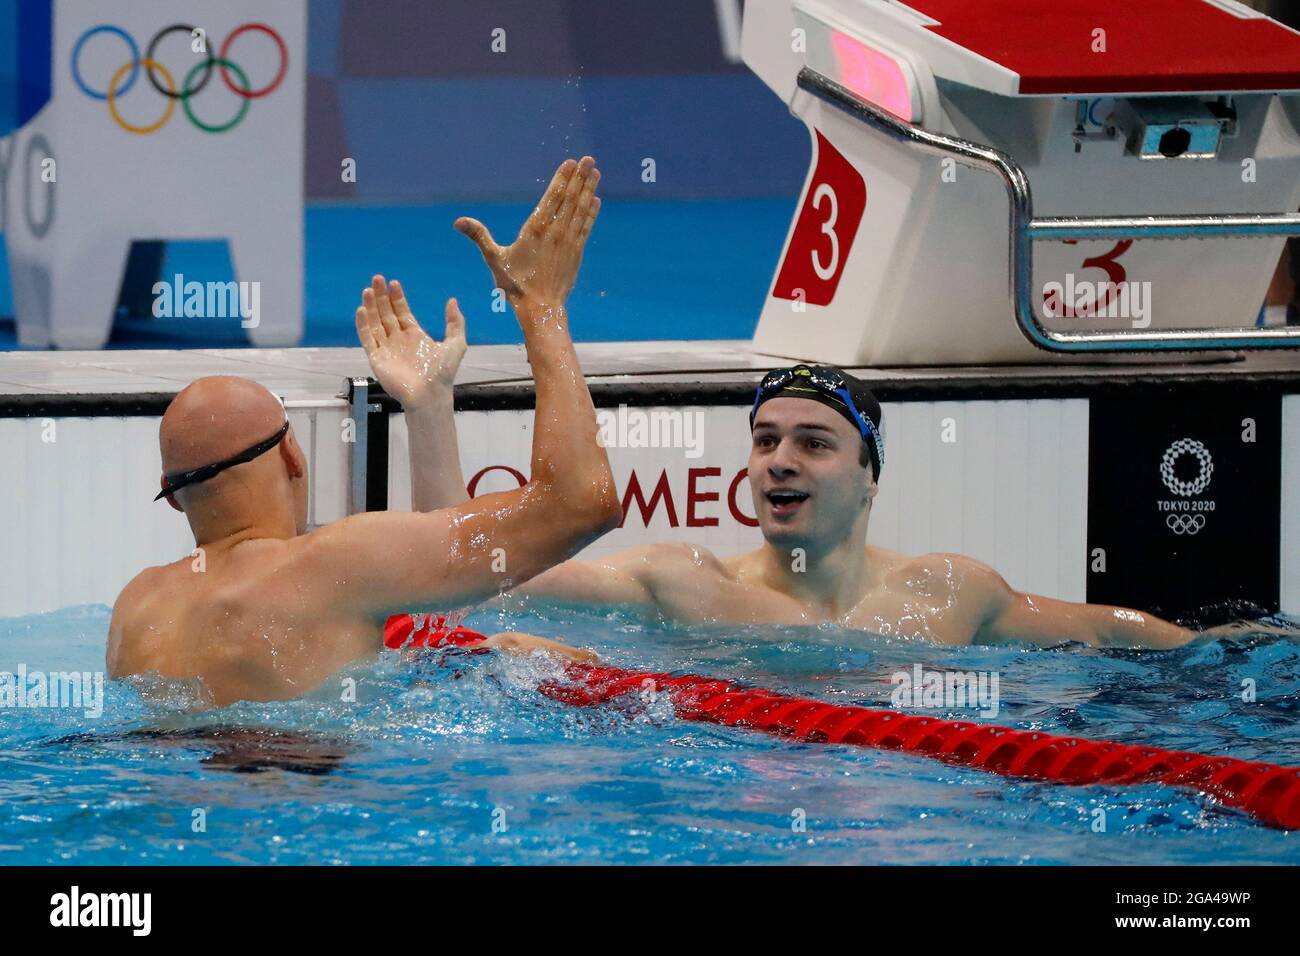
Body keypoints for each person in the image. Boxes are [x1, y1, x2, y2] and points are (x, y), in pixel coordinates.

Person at [107, 157, 619, 706]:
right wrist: (540, 307)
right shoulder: (336, 563)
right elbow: (579, 504)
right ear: (292, 457)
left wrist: (479, 654)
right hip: (313, 782)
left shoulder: (135, 609)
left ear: (175, 499)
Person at [386, 352, 1245, 649]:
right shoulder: (684, 585)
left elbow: (1124, 639)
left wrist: (1247, 649)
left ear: (872, 473)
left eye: (812, 443)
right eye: (764, 442)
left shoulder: (946, 595)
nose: (779, 462)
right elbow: (465, 573)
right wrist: (429, 408)